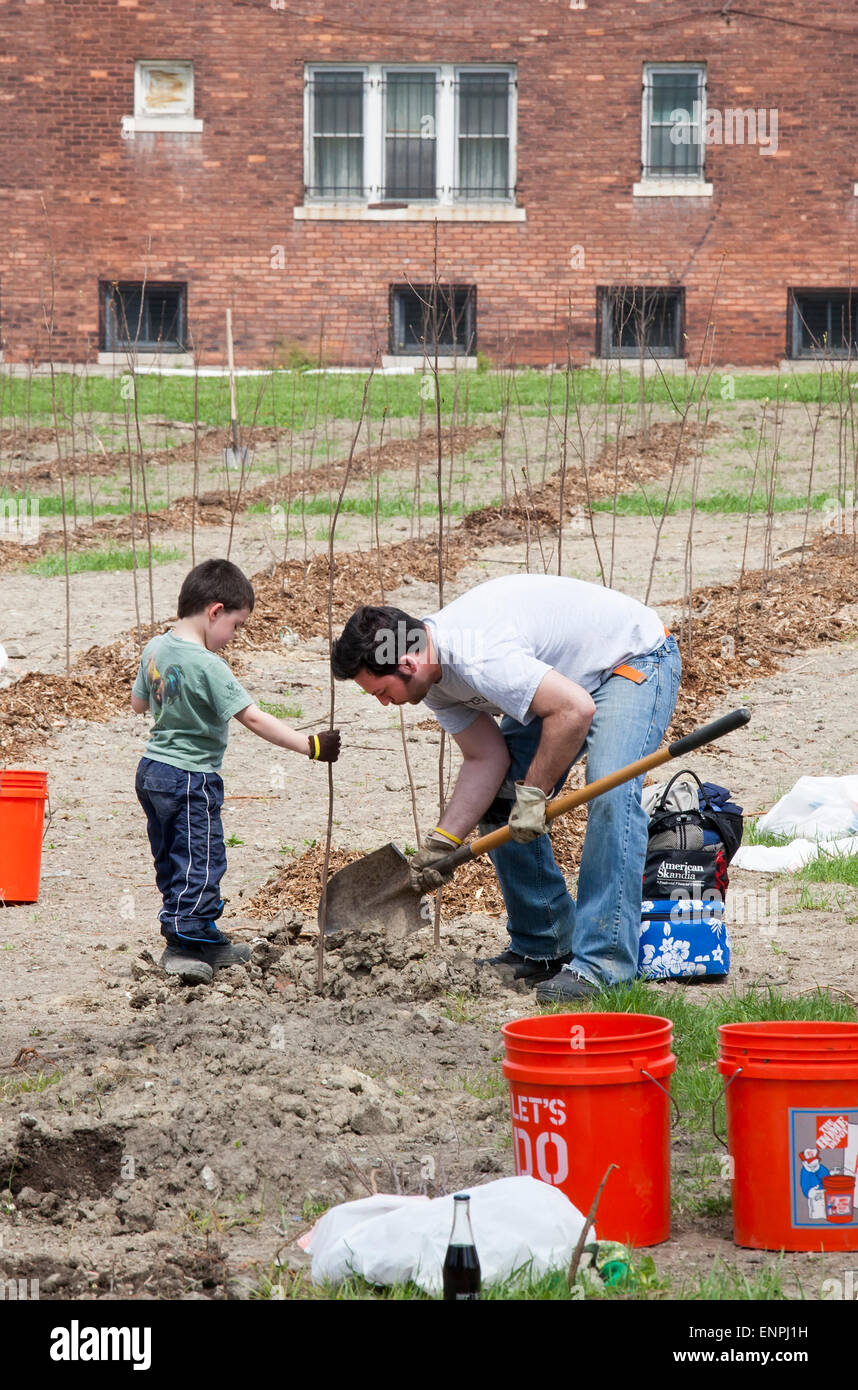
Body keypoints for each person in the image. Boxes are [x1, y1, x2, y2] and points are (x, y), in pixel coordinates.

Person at [331, 574, 680, 1001]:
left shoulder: (479, 657)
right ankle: (544, 943)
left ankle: (604, 965)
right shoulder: (432, 676)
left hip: (630, 662)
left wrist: (534, 796)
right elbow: (486, 759)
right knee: (501, 800)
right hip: (563, 686)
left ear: (407, 663)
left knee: (610, 796)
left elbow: (574, 710)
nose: (385, 703)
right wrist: (444, 842)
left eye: (382, 692)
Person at [132, 558, 340, 984]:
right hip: (191, 777)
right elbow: (254, 718)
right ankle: (182, 944)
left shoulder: (154, 648)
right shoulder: (209, 665)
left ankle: (204, 939)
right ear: (215, 611)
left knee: (174, 857)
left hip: (152, 771)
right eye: (237, 625)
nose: (233, 636)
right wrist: (310, 745)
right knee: (201, 861)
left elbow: (139, 704)